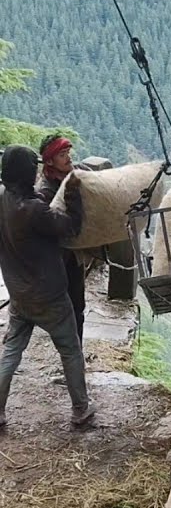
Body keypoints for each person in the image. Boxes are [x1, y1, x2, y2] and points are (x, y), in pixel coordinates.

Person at [0, 145, 95, 430]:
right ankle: (81, 409)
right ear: (28, 172)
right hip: (50, 295)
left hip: (19, 294)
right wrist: (74, 196)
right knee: (70, 349)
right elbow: (70, 227)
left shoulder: (4, 199)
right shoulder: (34, 210)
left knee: (11, 351)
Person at [35, 135, 88, 346]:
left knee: (77, 307)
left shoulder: (71, 177)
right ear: (49, 161)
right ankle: (70, 354)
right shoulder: (45, 192)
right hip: (57, 259)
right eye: (62, 155)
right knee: (64, 309)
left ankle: (76, 350)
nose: (68, 159)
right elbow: (60, 226)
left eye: (68, 153)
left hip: (71, 257)